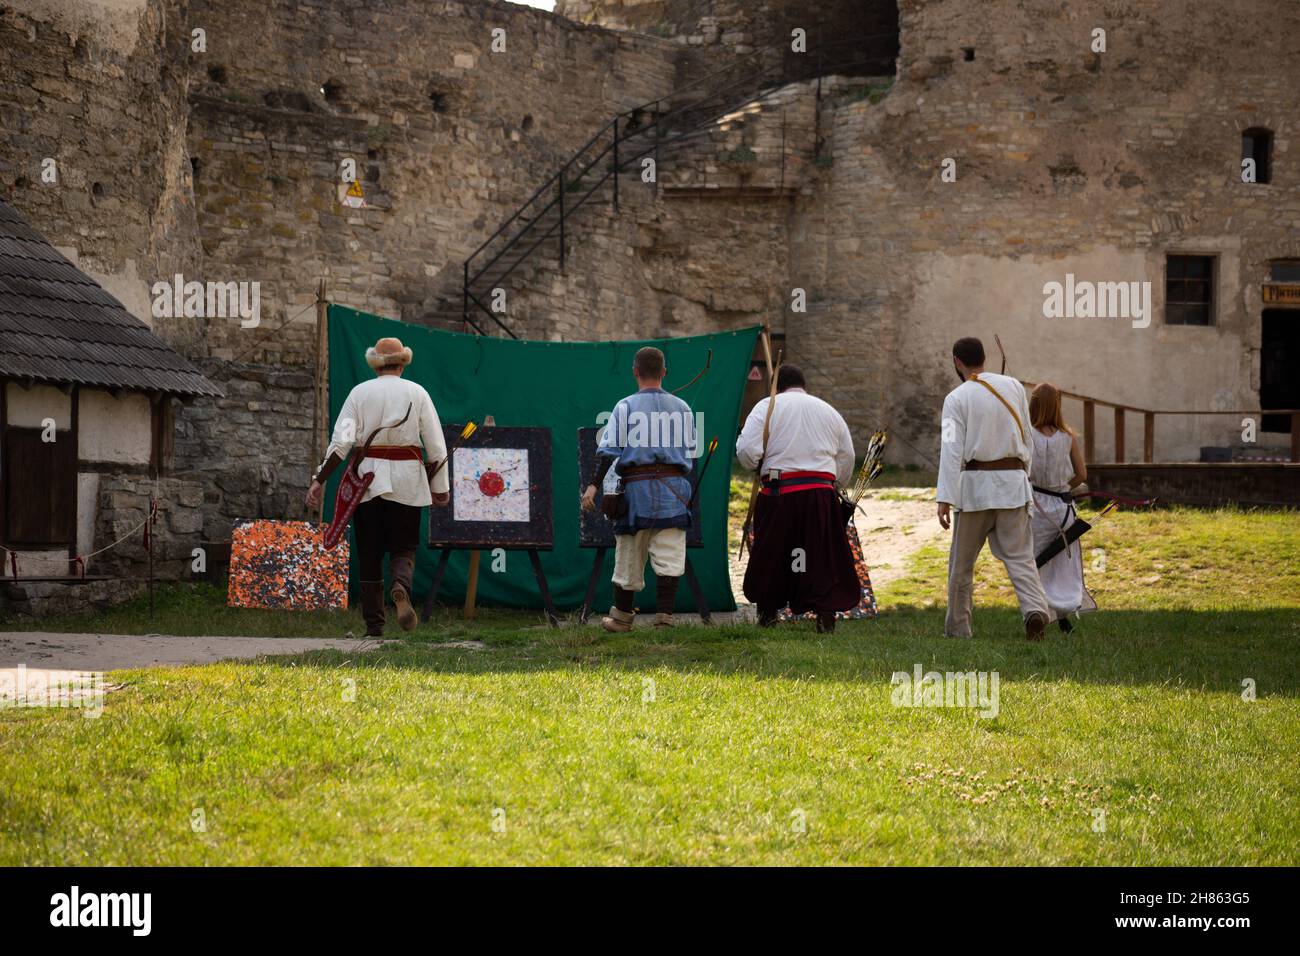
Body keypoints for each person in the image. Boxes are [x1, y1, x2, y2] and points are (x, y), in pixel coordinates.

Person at [306, 336, 448, 636]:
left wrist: (320, 479)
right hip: (407, 481)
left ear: (375, 365)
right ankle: (401, 585)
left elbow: (341, 443)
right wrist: (440, 487)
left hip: (366, 483)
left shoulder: (359, 393)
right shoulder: (418, 392)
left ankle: (374, 626)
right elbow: (436, 445)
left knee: (369, 552)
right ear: (402, 364)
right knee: (404, 546)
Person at [935, 337, 1052, 640]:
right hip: (1013, 486)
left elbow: (950, 449)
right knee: (1021, 558)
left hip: (975, 490)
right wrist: (1024, 477)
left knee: (961, 566)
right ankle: (1035, 610)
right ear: (983, 357)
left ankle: (958, 628)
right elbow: (1027, 437)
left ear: (957, 362)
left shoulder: (956, 398)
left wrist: (944, 497)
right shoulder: (1013, 387)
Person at [581, 346, 696, 632]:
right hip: (674, 492)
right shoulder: (682, 407)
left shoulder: (625, 406)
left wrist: (593, 487)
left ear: (635, 372)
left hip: (636, 492)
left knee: (629, 556)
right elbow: (691, 450)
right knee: (670, 555)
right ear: (664, 372)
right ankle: (664, 619)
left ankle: (622, 619)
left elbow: (608, 451)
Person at [736, 364, 858, 633]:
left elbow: (746, 450)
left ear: (776, 387)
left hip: (780, 493)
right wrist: (834, 484)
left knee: (774, 555)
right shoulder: (828, 411)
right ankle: (824, 614)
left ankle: (768, 613)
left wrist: (756, 465)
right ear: (804, 385)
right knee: (818, 556)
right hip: (820, 496)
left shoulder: (767, 406)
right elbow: (846, 457)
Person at [1028, 382, 1096, 632]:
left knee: (1036, 562)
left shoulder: (1026, 435)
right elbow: (1082, 474)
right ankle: (1062, 615)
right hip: (1062, 507)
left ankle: (1038, 613)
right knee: (1061, 564)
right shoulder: (1068, 437)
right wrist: (1064, 487)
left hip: (1036, 508)